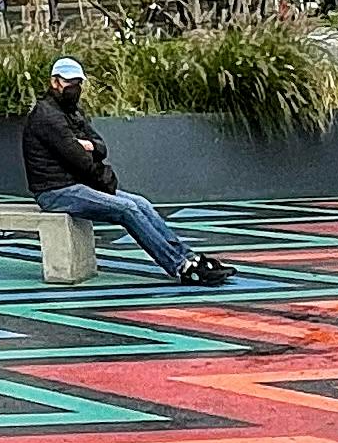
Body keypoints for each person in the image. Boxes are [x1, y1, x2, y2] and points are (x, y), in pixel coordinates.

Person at [21, 54, 232, 286]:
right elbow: (79, 160)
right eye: (70, 82)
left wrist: (90, 146)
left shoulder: (72, 112)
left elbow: (100, 145)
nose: (75, 87)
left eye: (78, 82)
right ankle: (179, 266)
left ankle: (189, 257)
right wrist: (102, 173)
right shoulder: (46, 116)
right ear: (55, 82)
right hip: (55, 191)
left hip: (79, 185)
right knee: (127, 208)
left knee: (141, 203)